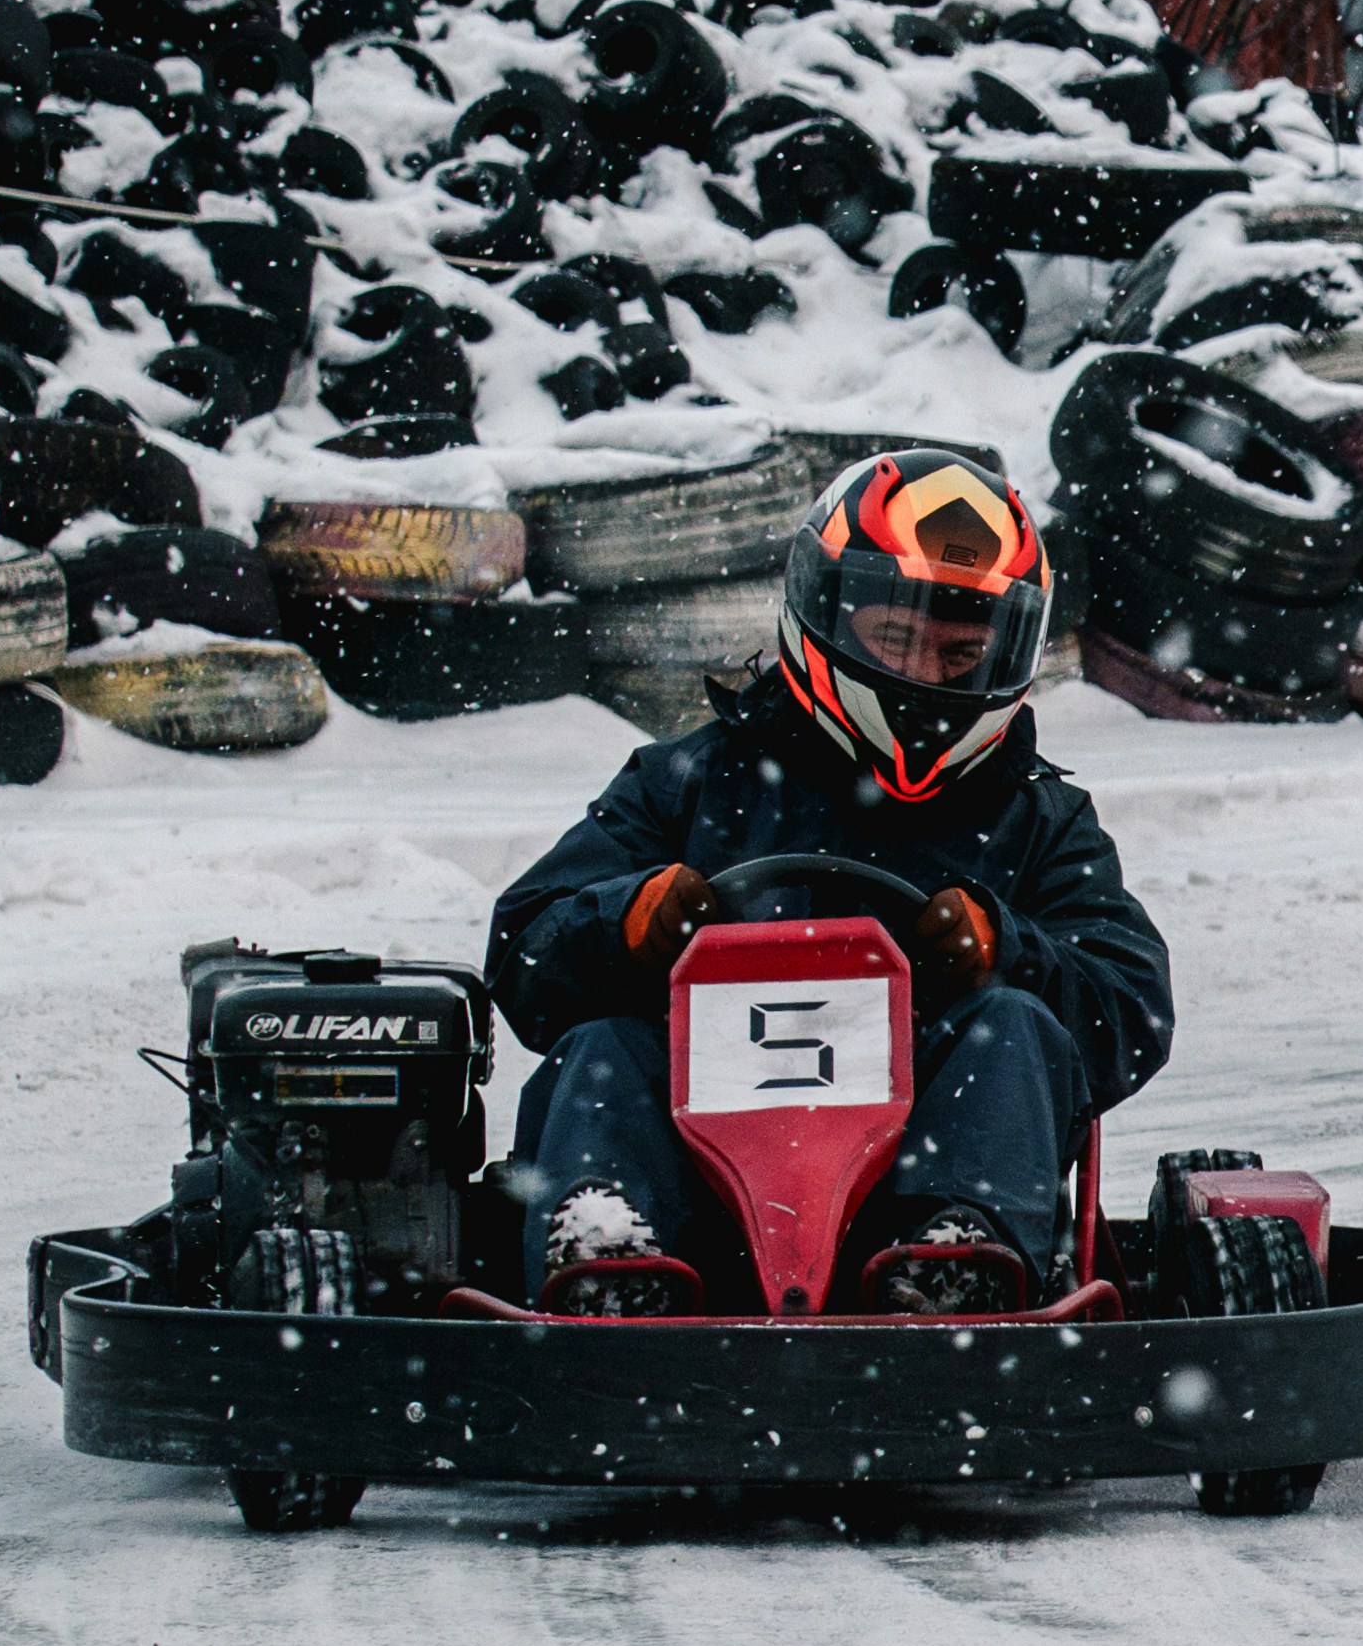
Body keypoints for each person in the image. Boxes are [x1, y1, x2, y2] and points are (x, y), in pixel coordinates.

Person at [483, 451, 1171, 1315]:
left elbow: (1133, 1008)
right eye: (896, 639)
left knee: (1010, 1026)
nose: (926, 675)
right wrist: (628, 922)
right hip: (697, 1199)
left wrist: (1007, 950)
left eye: (961, 654)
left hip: (912, 1187)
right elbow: (522, 954)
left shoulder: (1037, 820)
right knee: (603, 1044)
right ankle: (610, 1264)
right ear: (824, 611)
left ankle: (956, 1266)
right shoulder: (688, 784)